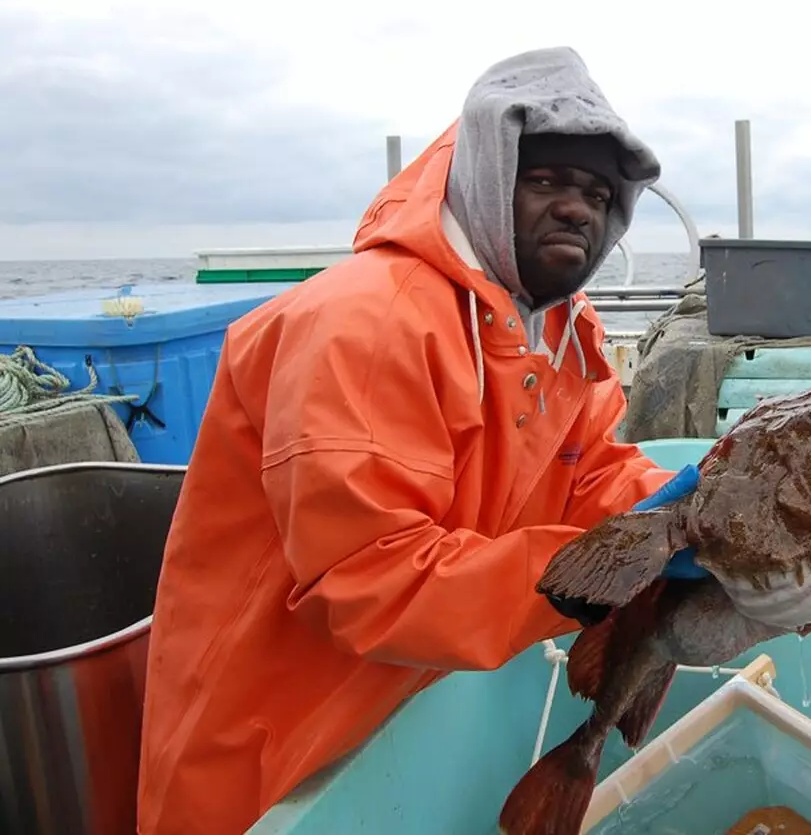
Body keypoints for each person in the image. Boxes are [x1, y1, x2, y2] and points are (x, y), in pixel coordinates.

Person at [135, 46, 706, 835]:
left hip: (417, 716)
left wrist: (689, 513)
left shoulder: (566, 332)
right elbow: (371, 579)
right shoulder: (365, 323)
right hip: (282, 759)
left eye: (599, 193)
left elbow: (589, 471)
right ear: (484, 176)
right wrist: (603, 571)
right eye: (544, 181)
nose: (577, 208)